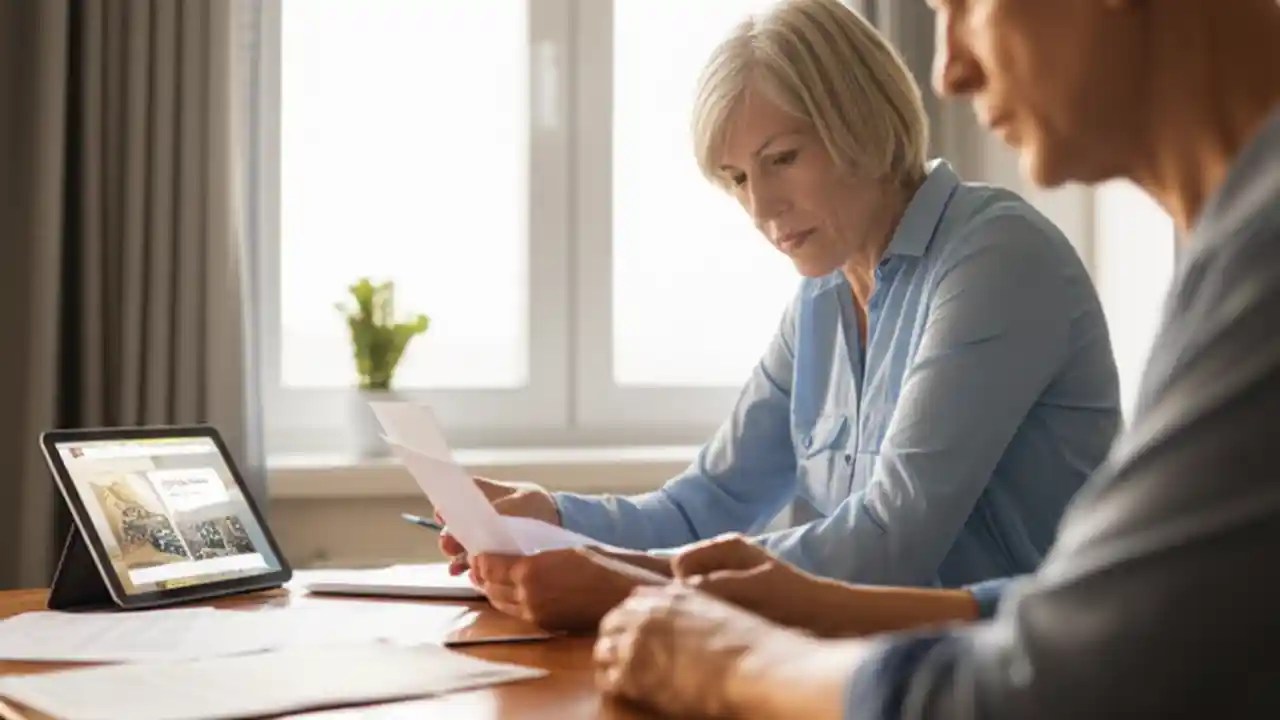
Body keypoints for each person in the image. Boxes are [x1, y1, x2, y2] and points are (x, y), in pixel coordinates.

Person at [592, 0, 1280, 716]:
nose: (948, 72)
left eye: (966, 6)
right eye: (737, 178)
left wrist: (730, 655)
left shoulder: (1011, 254)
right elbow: (1090, 606)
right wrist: (551, 525)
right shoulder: (1231, 252)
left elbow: (1057, 662)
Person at [446, 0, 1120, 632]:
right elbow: (703, 504)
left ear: (861, 119)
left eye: (783, 159)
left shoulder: (996, 255)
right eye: (738, 177)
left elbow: (889, 545)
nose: (762, 208)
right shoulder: (824, 299)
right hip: (888, 670)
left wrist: (631, 581)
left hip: (1027, 676)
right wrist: (553, 519)